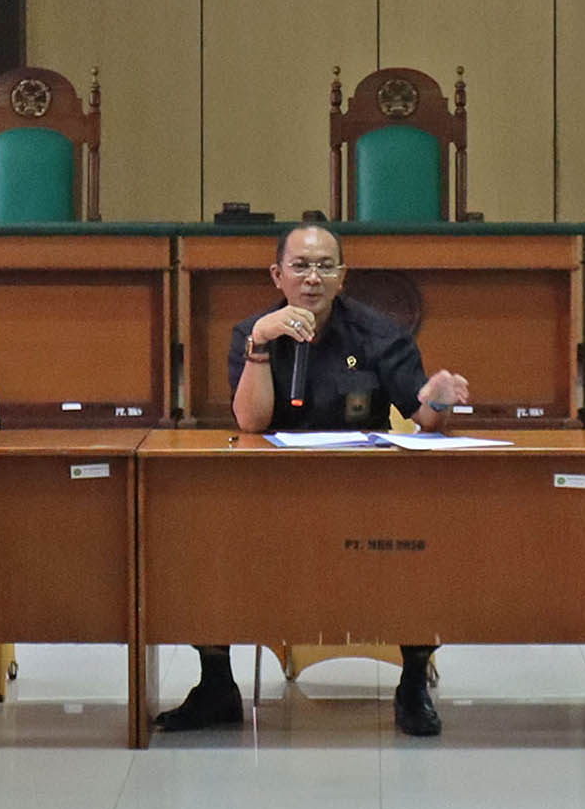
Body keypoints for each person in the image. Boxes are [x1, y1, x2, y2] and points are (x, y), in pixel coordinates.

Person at [154, 224, 473, 738]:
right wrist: (261, 344)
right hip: (271, 494)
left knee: (419, 537)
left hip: (362, 495)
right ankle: (216, 684)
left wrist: (436, 398)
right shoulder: (252, 331)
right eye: (300, 266)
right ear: (277, 275)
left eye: (326, 266)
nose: (313, 279)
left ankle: (412, 683)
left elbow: (424, 420)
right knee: (202, 534)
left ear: (343, 277)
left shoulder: (380, 334)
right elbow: (251, 424)